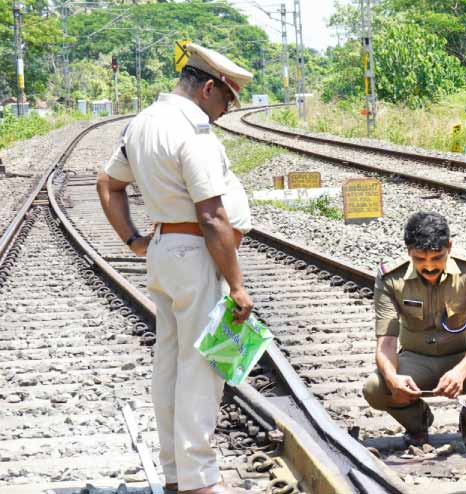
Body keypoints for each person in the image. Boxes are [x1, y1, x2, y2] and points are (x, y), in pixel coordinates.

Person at [97, 43, 254, 494]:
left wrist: (134, 240)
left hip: (166, 250)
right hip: (195, 253)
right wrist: (238, 285)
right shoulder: (191, 130)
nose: (224, 112)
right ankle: (200, 481)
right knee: (202, 367)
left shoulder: (143, 122)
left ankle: (175, 474)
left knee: (169, 366)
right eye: (225, 100)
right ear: (207, 88)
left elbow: (108, 183)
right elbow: (211, 216)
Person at [361, 212, 466, 446]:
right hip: (415, 360)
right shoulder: (390, 277)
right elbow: (387, 342)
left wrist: (460, 372)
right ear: (408, 251)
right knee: (375, 388)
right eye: (420, 259)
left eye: (437, 258)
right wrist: (393, 379)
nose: (429, 266)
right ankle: (418, 424)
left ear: (449, 247)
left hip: (462, 358)